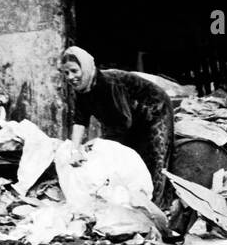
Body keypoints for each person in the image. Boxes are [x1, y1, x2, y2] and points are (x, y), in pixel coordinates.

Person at [60, 46, 175, 209]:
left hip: (154, 108)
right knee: (124, 160)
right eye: (66, 73)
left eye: (74, 71)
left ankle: (158, 208)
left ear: (85, 68)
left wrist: (97, 143)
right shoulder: (82, 89)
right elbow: (79, 121)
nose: (70, 77)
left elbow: (122, 123)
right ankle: (131, 206)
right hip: (130, 117)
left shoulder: (108, 84)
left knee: (154, 158)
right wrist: (74, 150)